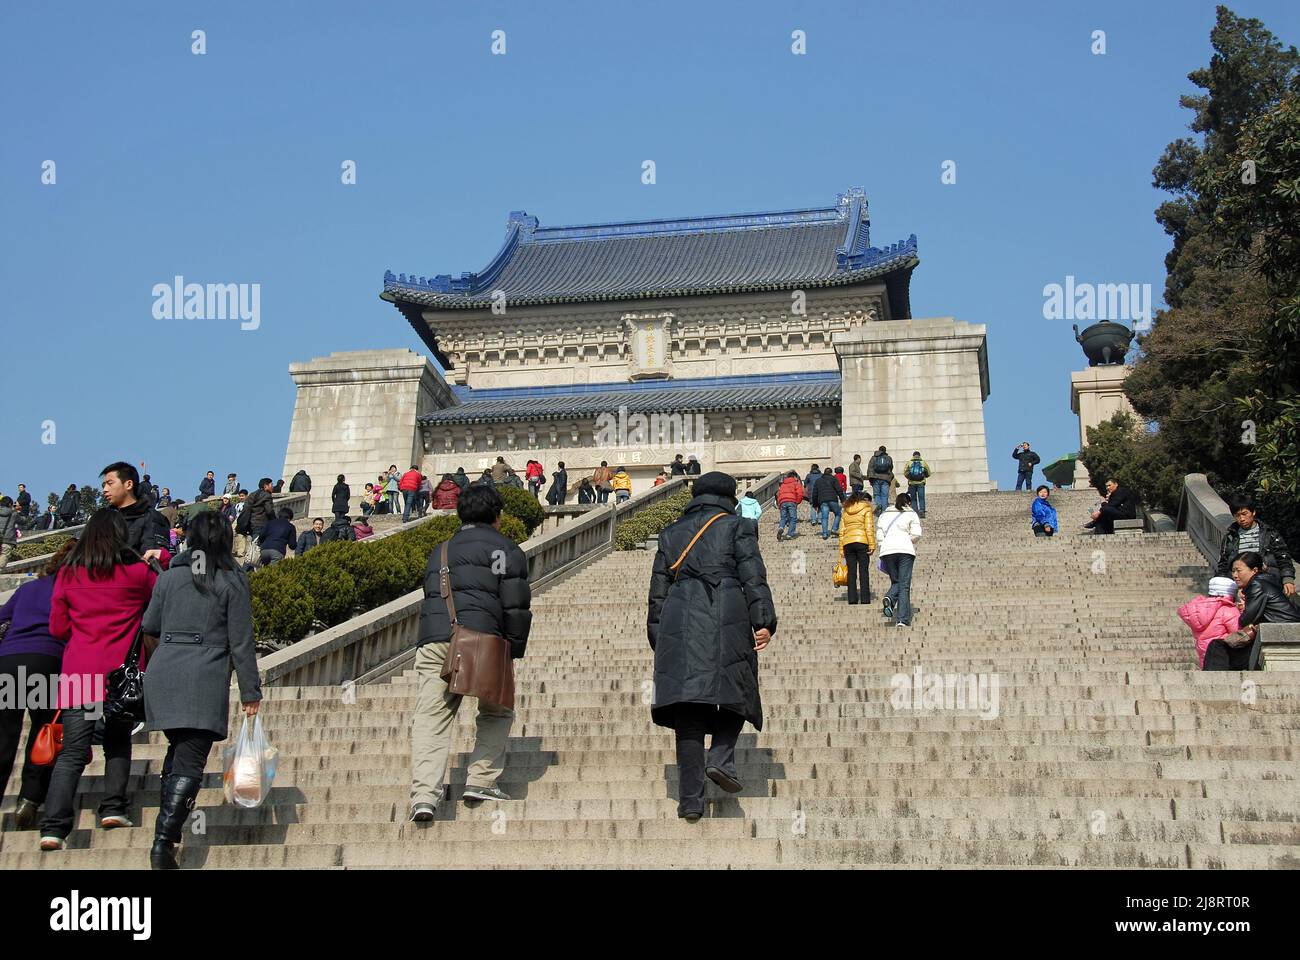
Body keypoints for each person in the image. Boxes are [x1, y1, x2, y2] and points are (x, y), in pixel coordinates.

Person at [646, 471, 776, 822]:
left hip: (679, 617)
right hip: (726, 611)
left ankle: (690, 801)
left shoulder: (671, 533)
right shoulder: (738, 526)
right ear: (729, 496)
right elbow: (752, 574)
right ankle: (720, 757)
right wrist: (763, 620)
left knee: (687, 711)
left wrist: (659, 635)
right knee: (738, 686)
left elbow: (657, 590)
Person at [139, 509, 261, 869]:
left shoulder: (169, 578)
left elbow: (149, 625)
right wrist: (250, 691)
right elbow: (241, 642)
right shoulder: (231, 581)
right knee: (190, 759)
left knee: (177, 752)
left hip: (164, 671)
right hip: (203, 674)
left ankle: (170, 833)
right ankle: (163, 842)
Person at [408, 484, 532, 821]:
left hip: (437, 639)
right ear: (497, 515)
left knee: (431, 717)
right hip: (485, 640)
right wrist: (514, 649)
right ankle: (480, 780)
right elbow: (515, 605)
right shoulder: (505, 551)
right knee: (496, 711)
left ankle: (424, 796)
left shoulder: (441, 550)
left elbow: (431, 593)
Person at [39, 510, 158, 850]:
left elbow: (58, 629)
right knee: (117, 742)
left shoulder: (68, 574)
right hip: (121, 674)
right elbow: (157, 610)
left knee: (72, 753)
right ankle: (113, 808)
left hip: (79, 671)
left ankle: (54, 827)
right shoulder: (137, 574)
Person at [0, 540, 76, 830]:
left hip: (9, 660)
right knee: (44, 730)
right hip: (49, 660)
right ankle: (29, 798)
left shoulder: (28, 589)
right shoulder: (76, 591)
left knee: (5, 736)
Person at [1211, 552, 1300, 670]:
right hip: (1278, 632)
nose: (1235, 575)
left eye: (1239, 570)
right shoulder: (1265, 582)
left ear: (1254, 570)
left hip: (1279, 634)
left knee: (1217, 647)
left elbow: (1245, 620)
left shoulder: (1256, 584)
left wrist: (1243, 609)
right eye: (1233, 571)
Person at [1215, 496, 1295, 597]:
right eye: (1237, 515)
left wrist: (1288, 579)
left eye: (1244, 514)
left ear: (1253, 512)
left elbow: (1283, 558)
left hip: (1268, 584)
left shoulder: (1269, 534)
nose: (1241, 519)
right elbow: (1223, 564)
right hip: (1240, 589)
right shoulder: (1230, 537)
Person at [101, 461, 171, 567]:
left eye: (110, 484)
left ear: (129, 484)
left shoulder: (151, 518)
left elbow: (153, 562)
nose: (105, 490)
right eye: (104, 485)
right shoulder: (104, 520)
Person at [877, 493, 923, 627]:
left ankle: (890, 598)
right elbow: (916, 534)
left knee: (896, 581)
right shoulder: (911, 514)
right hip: (904, 550)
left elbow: (879, 535)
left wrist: (884, 545)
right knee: (904, 585)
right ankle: (902, 619)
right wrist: (905, 540)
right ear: (908, 503)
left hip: (887, 551)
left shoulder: (884, 515)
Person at [1179, 577, 1241, 670]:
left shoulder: (1201, 611)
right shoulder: (1228, 610)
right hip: (1224, 655)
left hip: (1205, 655)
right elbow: (1239, 634)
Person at [838, 489, 877, 605]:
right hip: (862, 541)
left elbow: (842, 531)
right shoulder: (866, 508)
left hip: (848, 543)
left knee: (851, 572)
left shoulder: (846, 510)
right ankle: (865, 598)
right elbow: (869, 528)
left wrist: (841, 549)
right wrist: (872, 544)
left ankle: (852, 599)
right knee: (863, 571)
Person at [814, 466, 844, 540]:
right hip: (832, 499)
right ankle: (834, 529)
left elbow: (814, 493)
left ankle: (824, 533)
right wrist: (843, 500)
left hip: (823, 501)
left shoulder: (818, 480)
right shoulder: (834, 479)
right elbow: (839, 490)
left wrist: (815, 505)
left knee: (824, 517)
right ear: (831, 473)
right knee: (838, 514)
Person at [775, 470, 804, 541]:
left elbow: (779, 494)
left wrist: (779, 504)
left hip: (782, 501)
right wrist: (797, 502)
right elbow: (800, 493)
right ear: (794, 476)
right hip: (791, 501)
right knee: (793, 518)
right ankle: (789, 534)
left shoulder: (783, 484)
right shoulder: (795, 483)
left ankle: (781, 528)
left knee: (783, 518)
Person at [902, 451, 931, 518]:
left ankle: (915, 512)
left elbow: (905, 472)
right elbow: (929, 473)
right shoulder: (923, 462)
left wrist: (909, 477)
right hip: (921, 482)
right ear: (919, 455)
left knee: (913, 498)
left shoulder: (909, 462)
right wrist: (924, 476)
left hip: (912, 483)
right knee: (921, 498)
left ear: (913, 456)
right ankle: (922, 512)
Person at [866, 447, 894, 514]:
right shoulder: (888, 458)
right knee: (885, 495)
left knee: (876, 494)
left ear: (879, 450)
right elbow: (891, 468)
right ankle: (884, 511)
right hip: (885, 479)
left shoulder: (874, 458)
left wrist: (870, 479)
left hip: (876, 479)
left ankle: (879, 505)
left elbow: (870, 468)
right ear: (885, 451)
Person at [0, 496, 17, 571]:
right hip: (7, 538)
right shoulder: (14, 513)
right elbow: (23, 521)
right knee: (5, 554)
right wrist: (18, 511)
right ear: (10, 504)